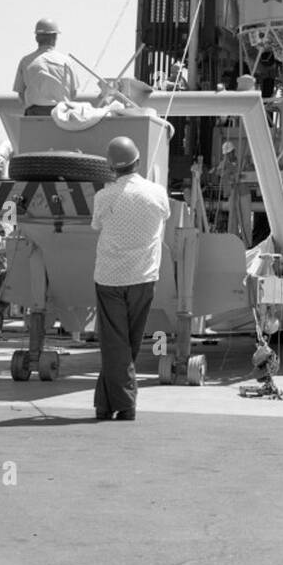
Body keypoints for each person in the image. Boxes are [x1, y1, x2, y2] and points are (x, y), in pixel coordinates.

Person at [90, 136, 172, 421]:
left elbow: (96, 225)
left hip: (109, 278)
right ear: (138, 161)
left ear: (111, 168)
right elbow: (166, 215)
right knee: (128, 344)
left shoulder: (103, 196)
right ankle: (120, 405)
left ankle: (112, 405)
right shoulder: (157, 193)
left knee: (115, 344)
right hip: (143, 277)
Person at [13, 19, 78, 115]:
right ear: (55, 37)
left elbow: (21, 94)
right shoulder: (66, 61)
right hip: (61, 116)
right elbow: (73, 93)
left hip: (34, 115)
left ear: (36, 38)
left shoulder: (26, 61)